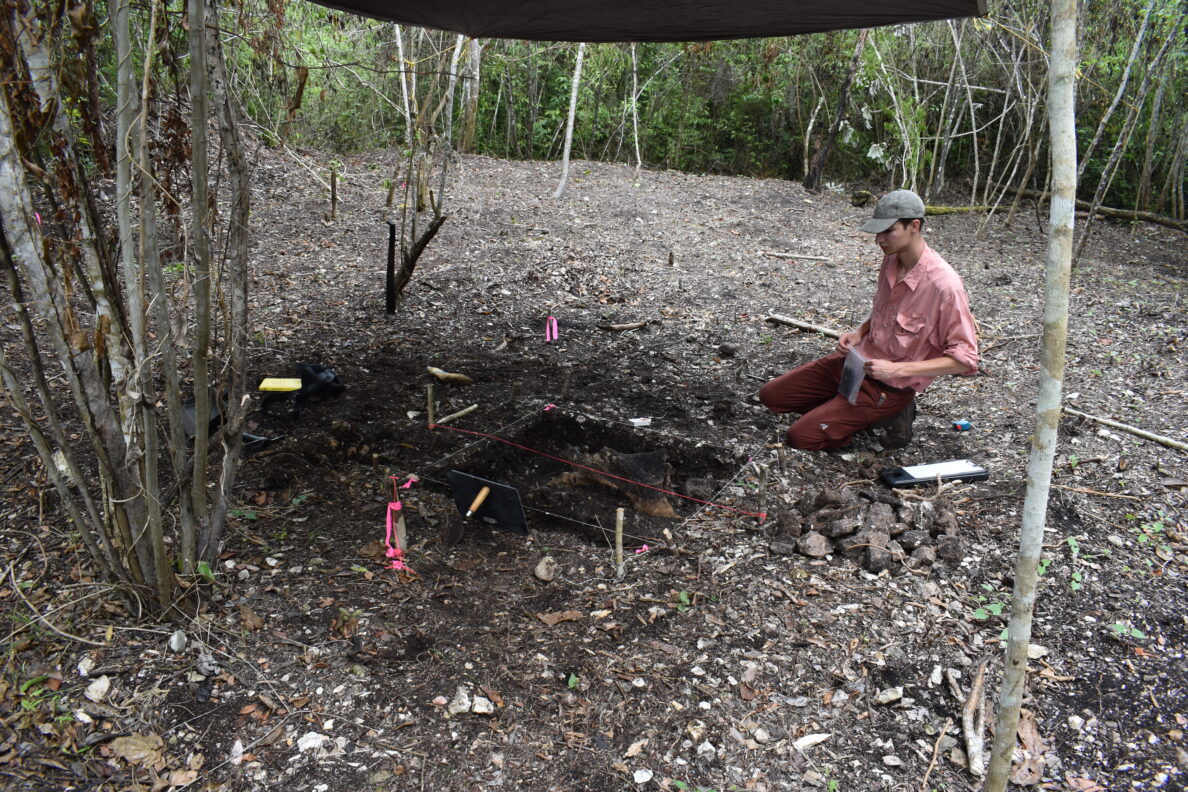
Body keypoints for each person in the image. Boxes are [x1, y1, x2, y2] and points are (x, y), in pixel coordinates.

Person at [759, 189, 978, 450]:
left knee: (801, 437)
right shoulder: (891, 260)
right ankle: (841, 407)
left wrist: (896, 370)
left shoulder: (945, 287)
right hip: (855, 364)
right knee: (771, 396)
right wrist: (859, 333)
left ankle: (888, 414)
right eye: (878, 232)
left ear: (914, 226)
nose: (879, 240)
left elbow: (965, 361)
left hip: (888, 387)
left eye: (888, 231)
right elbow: (885, 310)